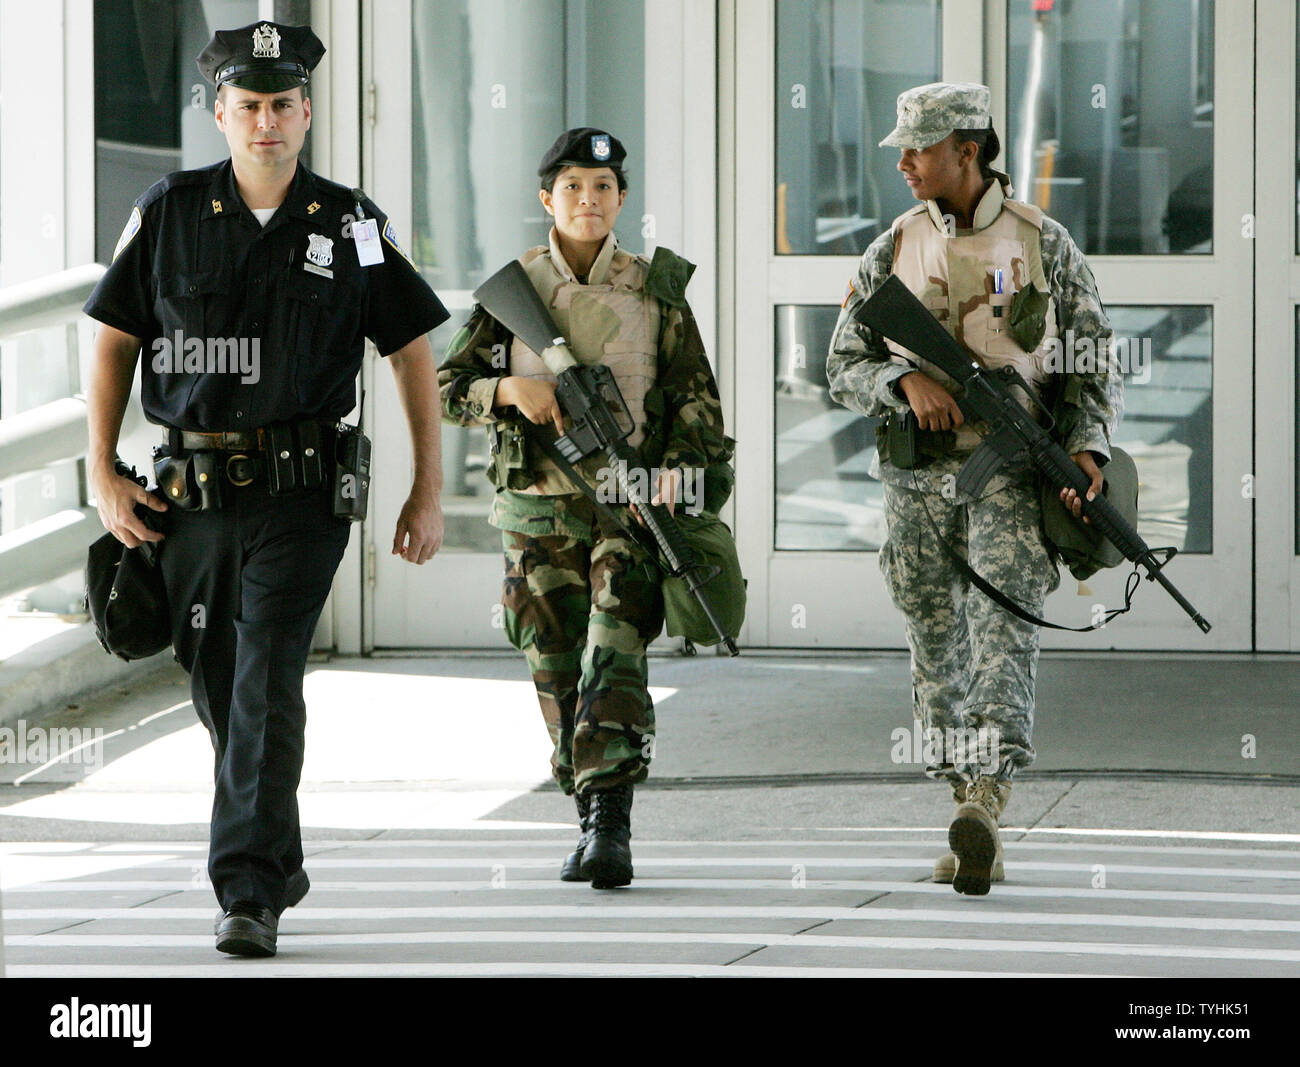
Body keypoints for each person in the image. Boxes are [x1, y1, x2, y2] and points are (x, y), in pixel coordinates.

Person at [84, 21, 449, 954]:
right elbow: (116, 339)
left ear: (308, 112)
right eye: (248, 106)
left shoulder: (350, 224)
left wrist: (426, 488)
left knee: (266, 676)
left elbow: (411, 346)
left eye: (283, 105)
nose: (267, 122)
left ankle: (247, 891)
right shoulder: (166, 211)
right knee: (220, 687)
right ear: (219, 113)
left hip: (301, 495)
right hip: (189, 497)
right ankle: (275, 852)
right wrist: (101, 471)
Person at [827, 83, 1123, 895]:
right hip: (915, 478)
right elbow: (839, 361)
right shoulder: (892, 245)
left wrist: (1088, 446)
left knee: (1001, 636)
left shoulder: (1044, 244)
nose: (903, 162)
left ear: (968, 149)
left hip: (1009, 473)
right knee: (934, 647)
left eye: (917, 148)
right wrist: (901, 383)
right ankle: (963, 804)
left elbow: (1094, 360)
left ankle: (990, 795)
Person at [438, 128, 733, 889]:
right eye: (573, 187)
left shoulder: (655, 291)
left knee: (614, 657)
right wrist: (511, 390)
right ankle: (588, 811)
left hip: (625, 514)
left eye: (603, 187)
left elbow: (698, 405)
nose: (589, 201)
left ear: (622, 199)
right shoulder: (514, 293)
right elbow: (446, 387)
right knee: (558, 669)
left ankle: (611, 826)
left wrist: (675, 473)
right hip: (537, 518)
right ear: (547, 198)